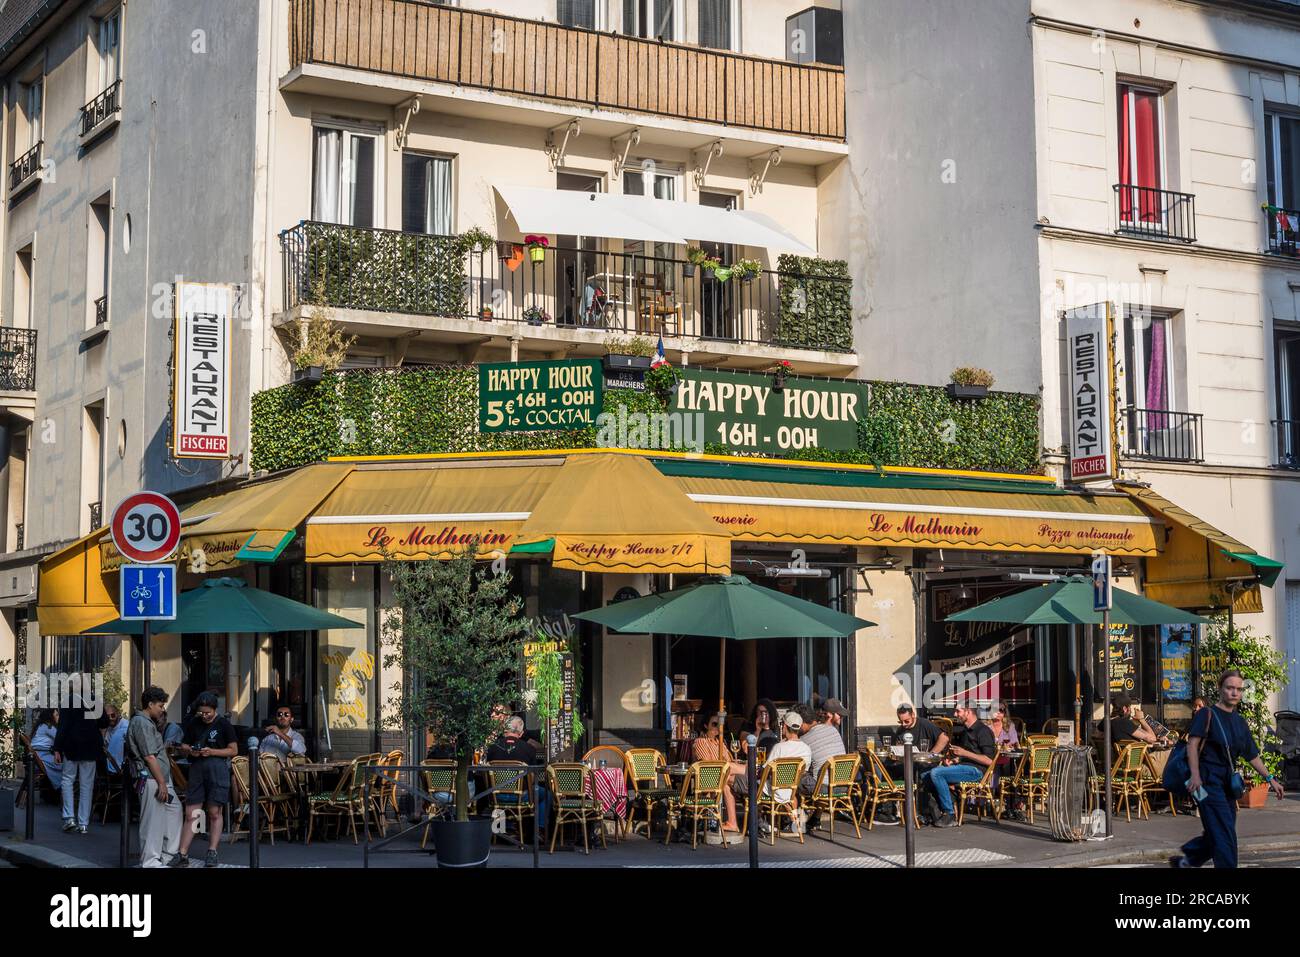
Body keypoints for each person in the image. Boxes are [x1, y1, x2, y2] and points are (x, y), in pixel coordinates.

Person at [1171, 669, 1285, 869]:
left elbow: (1251, 755)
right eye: (1230, 688)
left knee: (1219, 831)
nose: (1234, 693)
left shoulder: (1239, 722)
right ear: (1220, 689)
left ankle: (1186, 861)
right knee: (1225, 836)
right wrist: (1195, 776)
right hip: (1206, 784)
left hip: (1227, 788)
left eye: (1238, 689)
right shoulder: (1207, 714)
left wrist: (1271, 779)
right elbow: (1192, 744)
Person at [171, 693, 238, 868]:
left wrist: (213, 752)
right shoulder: (194, 723)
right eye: (201, 713)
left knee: (215, 813)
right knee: (191, 813)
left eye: (208, 712)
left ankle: (212, 851)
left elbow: (233, 750)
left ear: (215, 709)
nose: (205, 716)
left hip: (217, 768)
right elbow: (184, 746)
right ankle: (182, 853)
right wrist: (189, 750)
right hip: (197, 769)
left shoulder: (224, 724)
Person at [127, 686, 182, 868]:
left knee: (173, 811)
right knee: (152, 820)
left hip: (158, 777)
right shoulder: (141, 722)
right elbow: (149, 756)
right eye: (160, 705)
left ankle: (165, 856)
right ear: (150, 704)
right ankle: (150, 861)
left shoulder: (146, 722)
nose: (162, 709)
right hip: (151, 777)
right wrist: (162, 783)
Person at [922, 703, 997, 827]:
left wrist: (964, 753)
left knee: (936, 773)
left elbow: (989, 760)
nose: (955, 714)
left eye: (958, 711)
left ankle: (949, 813)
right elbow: (966, 756)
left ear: (968, 712)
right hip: (965, 768)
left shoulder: (983, 730)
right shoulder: (965, 731)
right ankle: (937, 809)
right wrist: (955, 759)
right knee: (927, 773)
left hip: (977, 772)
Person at [53, 679, 107, 833]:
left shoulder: (67, 701)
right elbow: (103, 723)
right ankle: (83, 823)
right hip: (90, 746)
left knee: (68, 780)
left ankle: (69, 818)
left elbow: (63, 726)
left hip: (71, 746)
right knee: (87, 785)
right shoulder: (93, 699)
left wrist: (57, 748)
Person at [691, 711, 746, 833]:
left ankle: (733, 823)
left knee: (727, 783)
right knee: (729, 768)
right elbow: (707, 765)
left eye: (720, 724)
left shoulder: (721, 743)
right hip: (708, 780)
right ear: (706, 726)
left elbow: (729, 761)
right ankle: (752, 773)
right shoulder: (700, 742)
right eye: (714, 724)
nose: (718, 727)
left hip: (722, 779)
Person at [765, 710, 814, 825]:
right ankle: (795, 825)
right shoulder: (806, 749)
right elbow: (803, 772)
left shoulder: (779, 747)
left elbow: (765, 770)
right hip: (792, 791)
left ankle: (762, 822)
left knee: (751, 787)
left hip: (775, 790)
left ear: (785, 726)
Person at [30, 709, 63, 790]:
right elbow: (61, 738)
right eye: (56, 715)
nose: (59, 717)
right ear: (50, 717)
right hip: (42, 756)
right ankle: (62, 787)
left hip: (37, 756)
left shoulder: (41, 725)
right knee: (67, 767)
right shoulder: (48, 726)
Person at [104, 703, 130, 773]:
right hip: (110, 762)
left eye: (113, 715)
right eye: (107, 716)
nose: (110, 718)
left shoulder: (125, 725)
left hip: (119, 766)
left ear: (118, 714)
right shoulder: (108, 728)